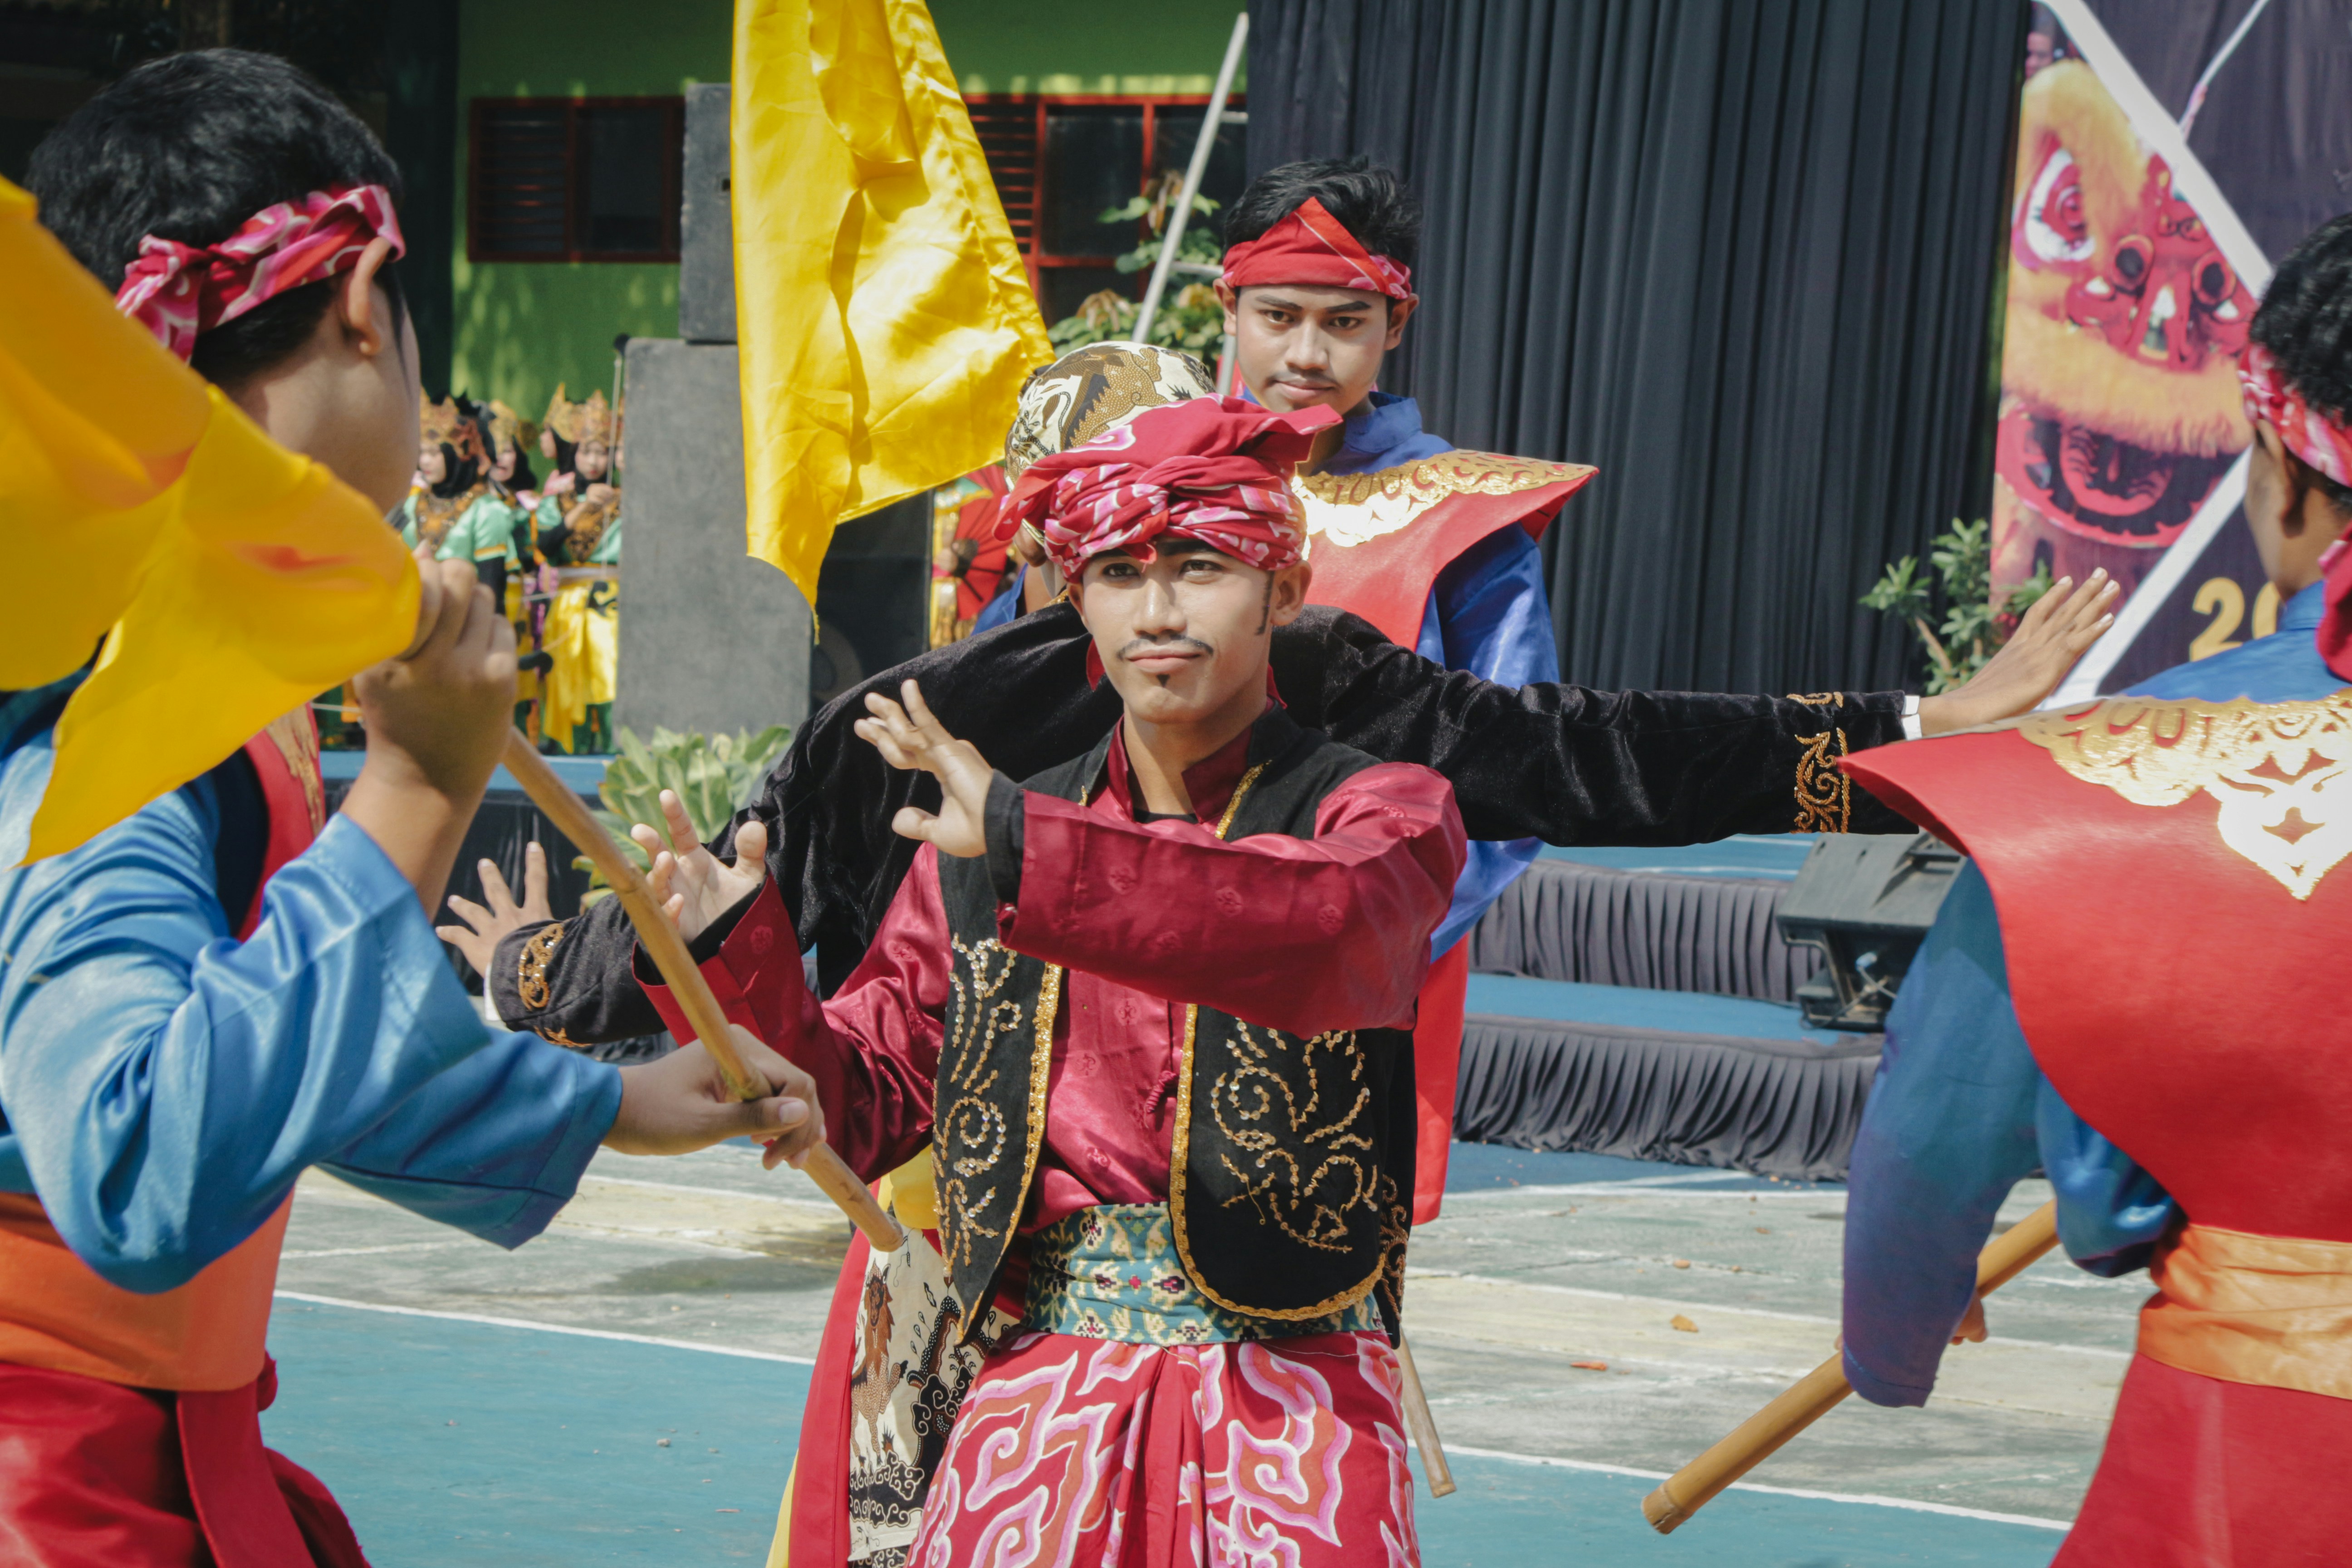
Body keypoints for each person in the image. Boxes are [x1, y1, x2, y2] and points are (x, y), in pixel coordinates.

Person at [4, 49, 823, 1567]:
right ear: (372, 295)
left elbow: (263, 1050)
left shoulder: (152, 644)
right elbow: (130, 1159)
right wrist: (415, 789)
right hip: (57, 1482)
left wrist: (606, 1099)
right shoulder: (114, 705)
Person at [642, 396, 1464, 1565]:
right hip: (1041, 1402)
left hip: (1297, 1405)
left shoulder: (1378, 811)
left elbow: (1317, 927)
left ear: (1284, 590)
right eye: (1120, 570)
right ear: (1075, 597)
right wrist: (741, 959)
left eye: (1201, 564)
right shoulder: (988, 843)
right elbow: (869, 1096)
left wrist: (1032, 844)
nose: (1160, 609)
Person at [1837, 211, 2352, 1565]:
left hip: (2252, 1447)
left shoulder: (2114, 773)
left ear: (2284, 478)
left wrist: (1896, 1326)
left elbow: (1936, 1129)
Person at [536, 384, 623, 754]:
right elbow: (544, 547)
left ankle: (612, 750)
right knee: (567, 683)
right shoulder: (558, 502)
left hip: (612, 603)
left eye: (602, 452)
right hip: (569, 601)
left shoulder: (627, 499)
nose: (593, 461)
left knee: (610, 680)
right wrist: (581, 509)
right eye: (586, 451)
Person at [400, 391, 527, 604]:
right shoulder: (412, 504)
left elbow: (491, 587)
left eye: (434, 454)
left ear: (456, 454)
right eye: (422, 452)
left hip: (466, 616)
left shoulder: (487, 510)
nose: (425, 462)